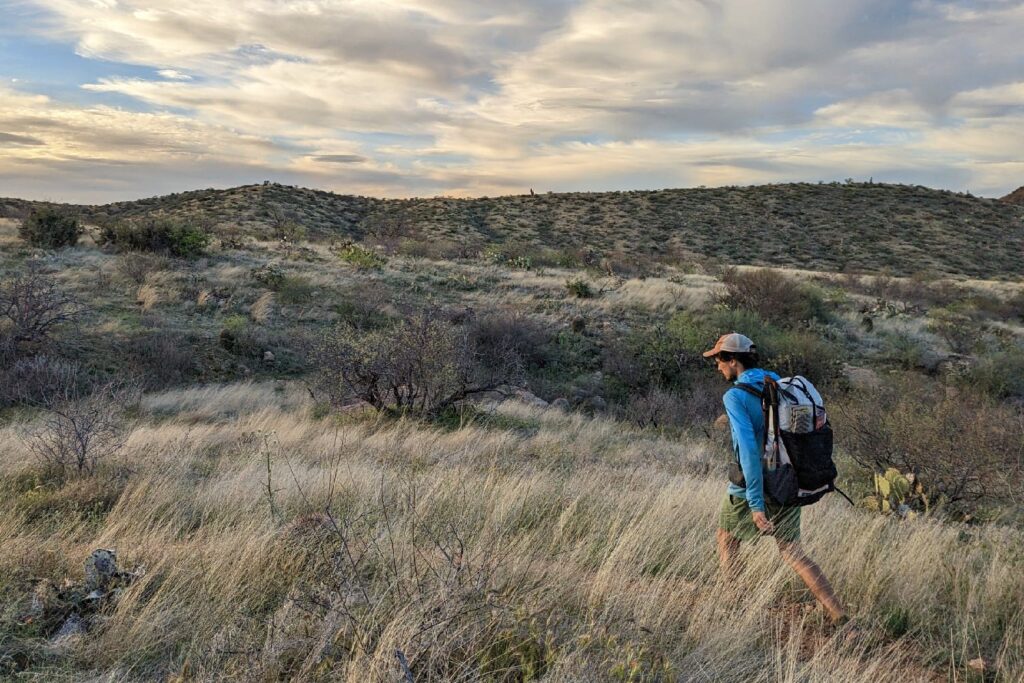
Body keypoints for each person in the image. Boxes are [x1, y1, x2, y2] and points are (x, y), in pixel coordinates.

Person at [704, 332, 846, 623]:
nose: (717, 366)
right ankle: (840, 616)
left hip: (751, 487)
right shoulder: (775, 381)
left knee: (726, 537)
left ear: (733, 361)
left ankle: (733, 606)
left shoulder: (735, 396)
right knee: (793, 552)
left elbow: (747, 452)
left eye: (719, 360)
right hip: (789, 479)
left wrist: (756, 504)